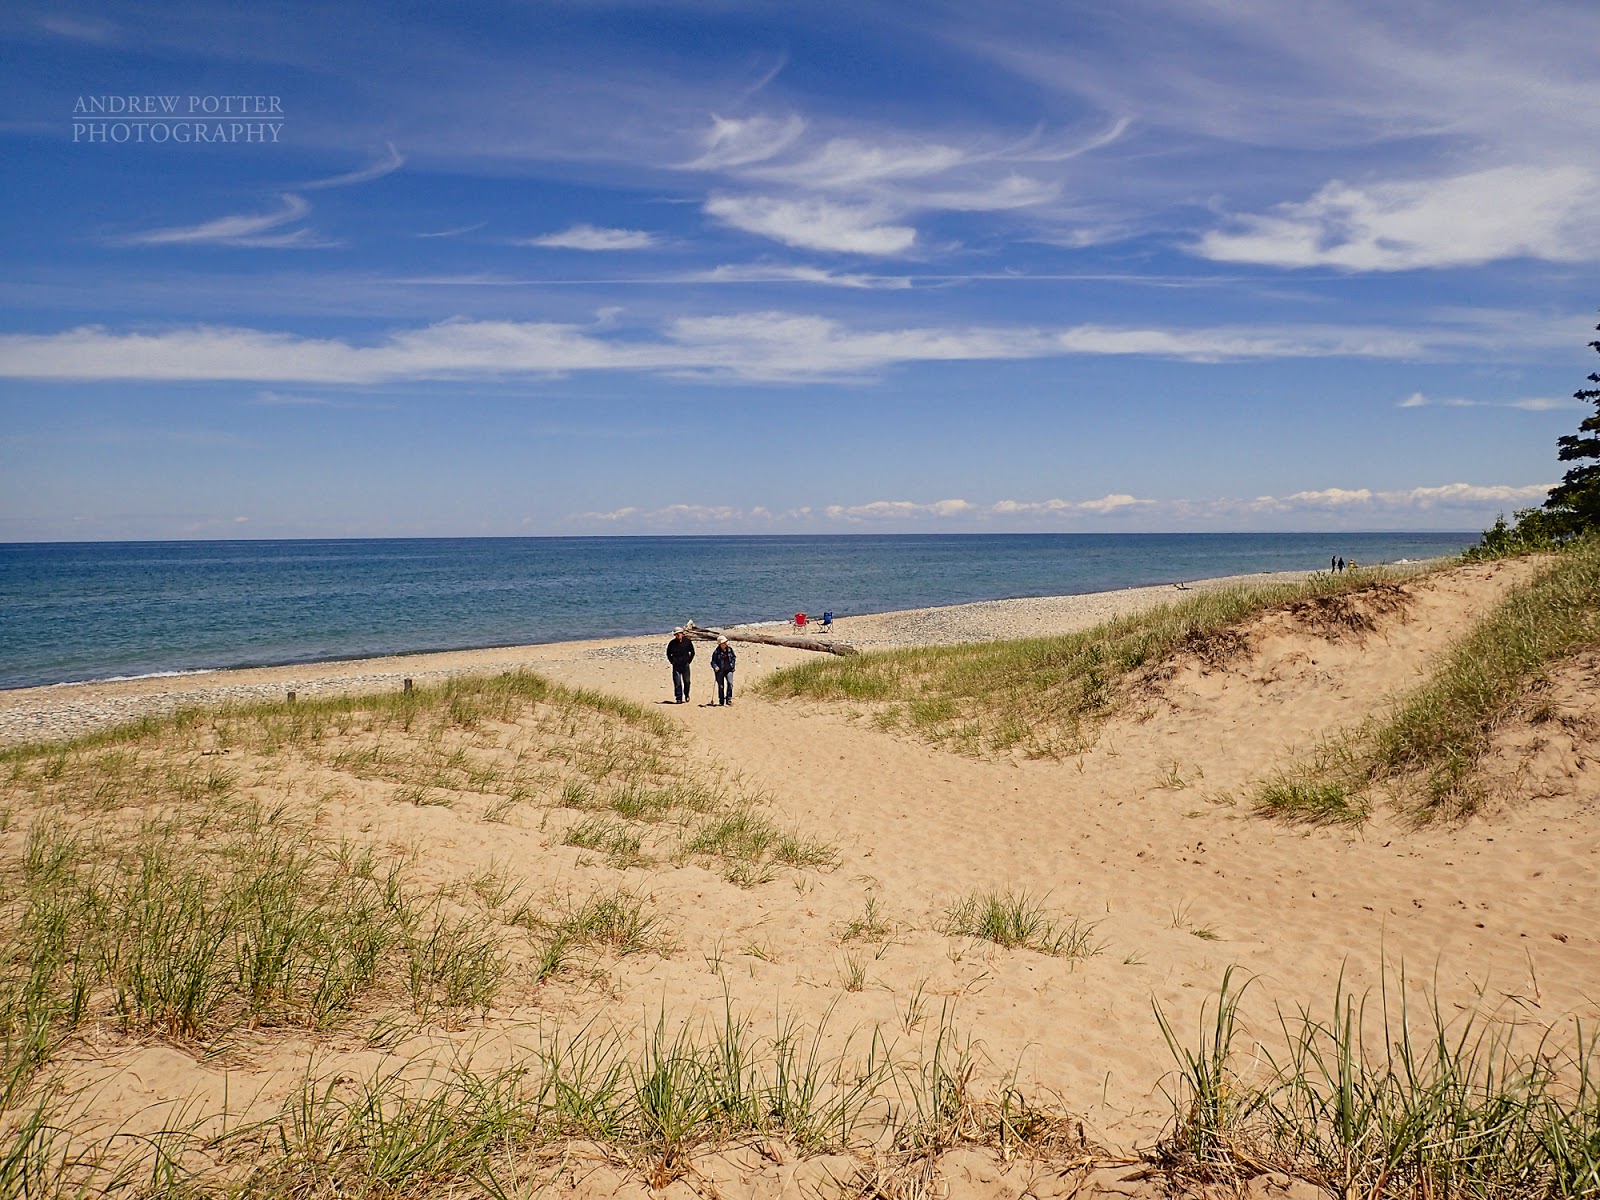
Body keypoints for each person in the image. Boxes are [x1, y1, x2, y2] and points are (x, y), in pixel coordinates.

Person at [666, 627, 695, 703]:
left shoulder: (687, 642)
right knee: (677, 682)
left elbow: (692, 652)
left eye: (680, 633)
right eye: (677, 634)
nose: (679, 635)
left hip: (685, 665)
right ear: (675, 635)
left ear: (682, 633)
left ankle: (686, 694)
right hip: (676, 665)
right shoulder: (672, 643)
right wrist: (672, 661)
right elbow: (668, 654)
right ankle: (678, 698)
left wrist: (689, 661)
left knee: (687, 681)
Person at [710, 635, 736, 706]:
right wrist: (715, 667)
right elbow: (713, 662)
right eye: (724, 642)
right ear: (720, 644)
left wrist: (733, 665)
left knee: (730, 684)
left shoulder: (730, 649)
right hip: (720, 671)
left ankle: (729, 699)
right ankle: (721, 701)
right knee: (721, 686)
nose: (725, 644)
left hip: (729, 670)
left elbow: (733, 657)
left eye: (725, 642)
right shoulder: (716, 652)